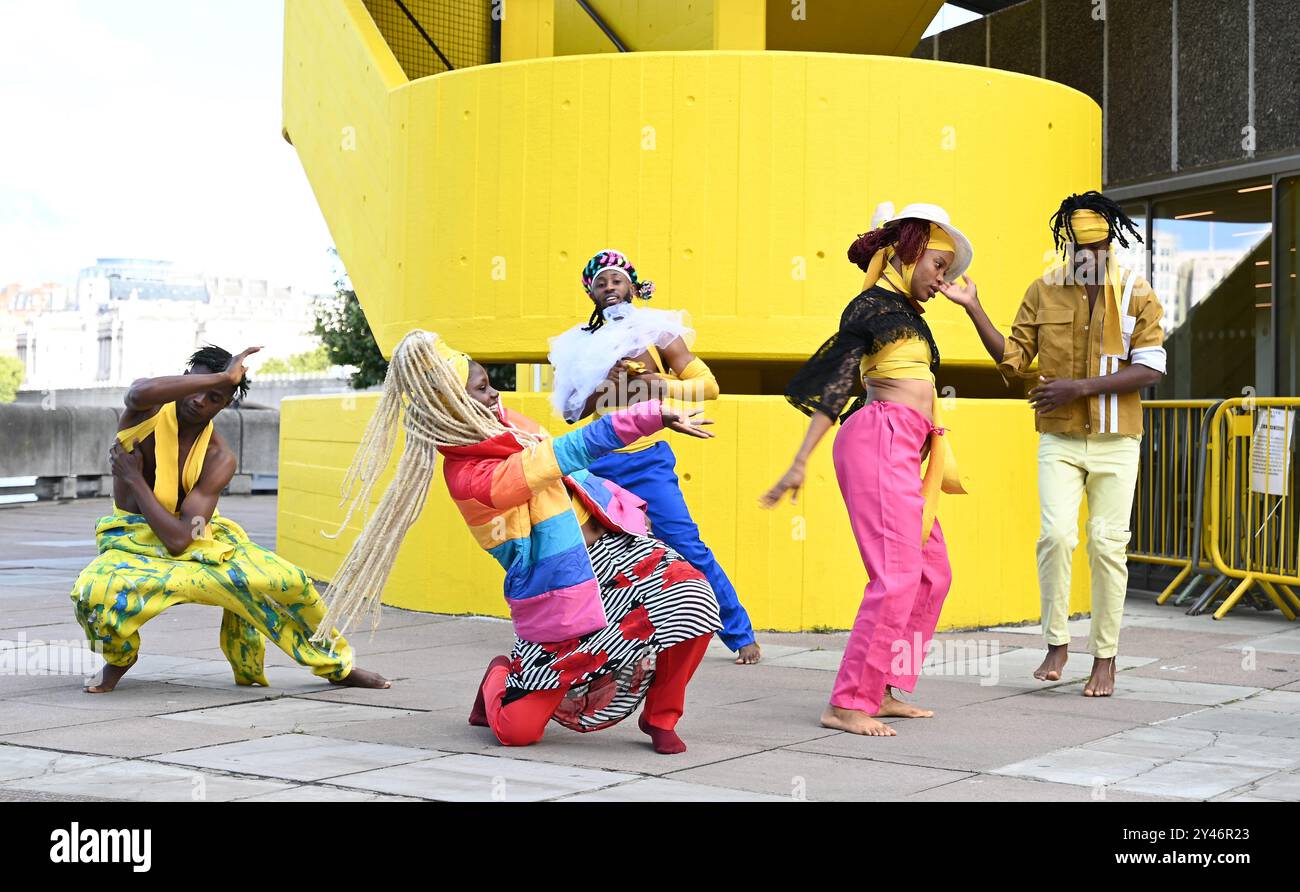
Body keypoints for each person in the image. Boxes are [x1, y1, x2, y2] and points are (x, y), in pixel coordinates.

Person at [313, 331, 722, 754]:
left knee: (695, 603)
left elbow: (573, 477)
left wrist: (627, 508)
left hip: (616, 549)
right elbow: (555, 458)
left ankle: (660, 716)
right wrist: (645, 415)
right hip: (561, 583)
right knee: (518, 732)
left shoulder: (510, 423)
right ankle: (500, 676)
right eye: (481, 388)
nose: (495, 394)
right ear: (451, 403)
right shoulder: (469, 477)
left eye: (489, 383)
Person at [940, 191, 1165, 697]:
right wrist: (973, 308)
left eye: (1099, 247)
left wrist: (1078, 387)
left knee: (1109, 546)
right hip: (1059, 440)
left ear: (1112, 242)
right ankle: (1057, 643)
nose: (1090, 257)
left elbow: (1151, 369)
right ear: (1067, 246)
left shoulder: (1136, 293)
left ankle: (1105, 657)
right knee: (1057, 537)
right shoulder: (1043, 291)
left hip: (1115, 440)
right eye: (1080, 249)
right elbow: (1013, 361)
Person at [761, 203, 972, 736]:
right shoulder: (872, 308)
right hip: (879, 439)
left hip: (908, 448)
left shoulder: (907, 316)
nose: (942, 280)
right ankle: (847, 702)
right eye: (938, 266)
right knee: (896, 576)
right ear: (910, 254)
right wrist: (799, 460)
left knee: (931, 574)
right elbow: (835, 384)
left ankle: (881, 687)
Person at [70, 345, 390, 693]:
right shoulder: (144, 418)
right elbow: (136, 392)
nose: (199, 400)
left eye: (215, 396)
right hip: (133, 543)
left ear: (225, 405)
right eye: (195, 386)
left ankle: (336, 666)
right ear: (182, 380)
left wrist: (133, 479)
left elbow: (180, 540)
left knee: (290, 581)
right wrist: (223, 377)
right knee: (93, 591)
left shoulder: (219, 457)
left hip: (197, 540)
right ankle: (119, 658)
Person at [548, 248, 762, 665]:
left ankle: (739, 633)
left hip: (646, 461)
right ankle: (584, 641)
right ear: (590, 292)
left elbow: (708, 387)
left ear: (632, 285)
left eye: (616, 279)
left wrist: (657, 382)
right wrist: (602, 385)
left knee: (686, 545)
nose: (609, 287)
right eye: (600, 282)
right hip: (596, 464)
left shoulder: (657, 332)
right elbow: (573, 412)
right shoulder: (579, 343)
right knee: (588, 554)